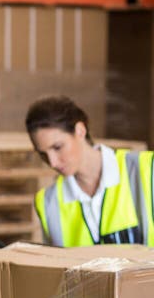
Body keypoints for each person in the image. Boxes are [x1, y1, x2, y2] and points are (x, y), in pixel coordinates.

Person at [26, 95, 154, 247]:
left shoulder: (147, 169)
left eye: (58, 147)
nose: (52, 162)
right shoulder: (48, 202)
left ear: (80, 131)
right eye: (43, 154)